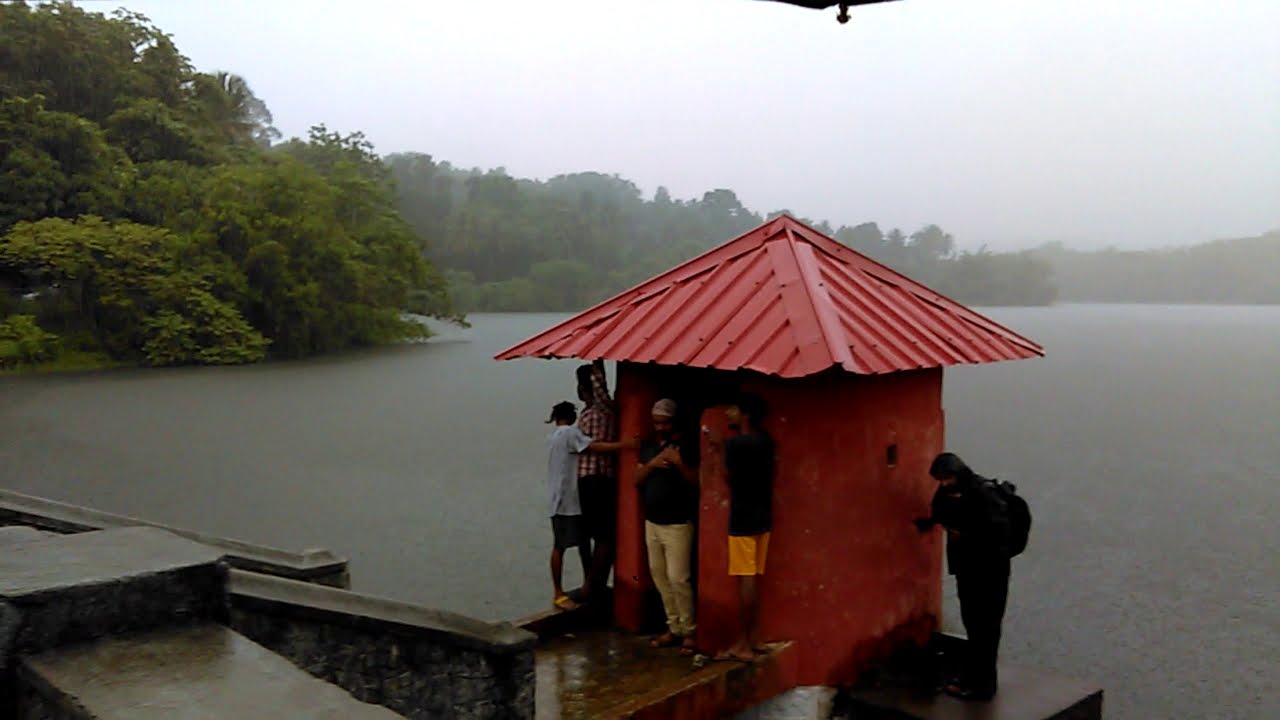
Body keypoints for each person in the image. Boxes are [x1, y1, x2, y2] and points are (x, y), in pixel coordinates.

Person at [914, 452, 1012, 701]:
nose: (944, 483)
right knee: (974, 625)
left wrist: (964, 533)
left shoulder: (984, 493)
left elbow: (998, 534)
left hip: (990, 572)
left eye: (947, 477)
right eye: (941, 479)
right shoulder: (950, 492)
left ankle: (982, 687)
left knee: (986, 629)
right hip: (968, 570)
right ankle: (975, 680)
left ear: (959, 472)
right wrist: (931, 523)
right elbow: (940, 511)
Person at [546, 400, 635, 611]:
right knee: (561, 546)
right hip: (567, 500)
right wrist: (625, 445)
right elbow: (595, 446)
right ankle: (560, 593)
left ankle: (588, 584)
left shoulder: (552, 437)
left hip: (557, 499)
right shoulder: (570, 433)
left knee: (573, 542)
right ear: (573, 417)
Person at [704, 392, 774, 662]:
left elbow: (727, 476)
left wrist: (720, 448)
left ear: (744, 414)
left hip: (743, 517)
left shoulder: (737, 445)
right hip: (763, 515)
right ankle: (755, 638)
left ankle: (744, 643)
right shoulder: (766, 441)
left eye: (732, 409)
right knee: (754, 577)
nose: (728, 414)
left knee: (745, 580)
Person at [635, 398, 700, 655]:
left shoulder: (687, 447)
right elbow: (636, 478)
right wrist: (652, 465)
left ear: (674, 422)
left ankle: (690, 631)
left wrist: (678, 461)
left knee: (678, 579)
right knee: (660, 577)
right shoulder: (650, 449)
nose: (659, 427)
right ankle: (673, 627)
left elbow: (697, 482)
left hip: (677, 524)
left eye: (664, 423)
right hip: (652, 523)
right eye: (656, 422)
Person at [574, 359, 618, 603]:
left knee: (601, 536)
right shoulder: (594, 411)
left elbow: (600, 385)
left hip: (596, 478)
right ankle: (592, 581)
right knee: (590, 534)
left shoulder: (602, 409)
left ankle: (591, 586)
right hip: (590, 478)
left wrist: (597, 361)